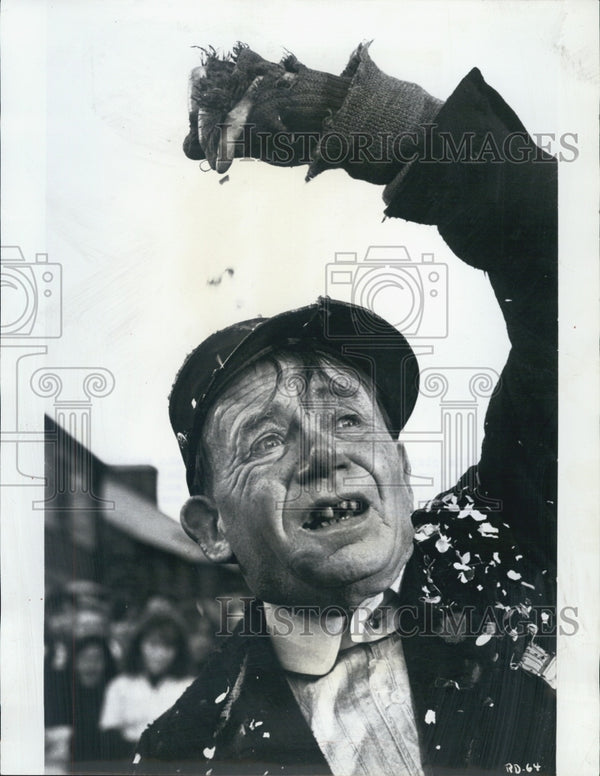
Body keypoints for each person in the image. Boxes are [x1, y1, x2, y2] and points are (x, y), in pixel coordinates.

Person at [135, 42, 557, 775]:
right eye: (265, 441)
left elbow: (571, 270)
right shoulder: (183, 752)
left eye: (350, 419)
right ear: (209, 530)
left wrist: (379, 124)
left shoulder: (525, 523)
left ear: (399, 461)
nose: (325, 453)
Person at [99, 601, 195, 762]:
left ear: (178, 651)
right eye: (153, 644)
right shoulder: (120, 685)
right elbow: (109, 734)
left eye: (167, 647)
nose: (159, 654)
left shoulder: (190, 686)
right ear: (139, 646)